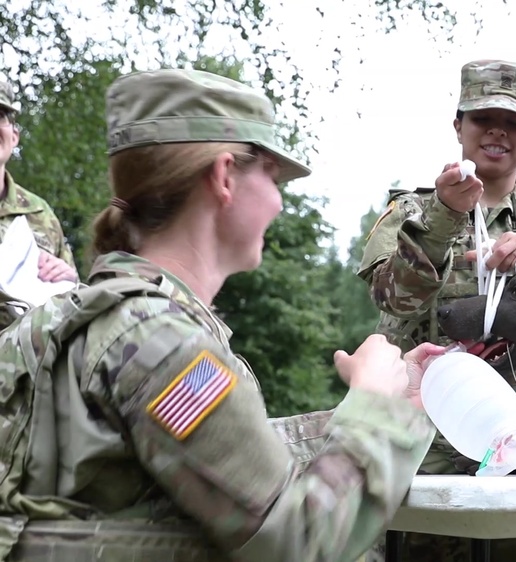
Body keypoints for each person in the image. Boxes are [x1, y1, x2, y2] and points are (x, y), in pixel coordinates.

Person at [0, 68, 443, 562]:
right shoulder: (161, 341)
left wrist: (385, 406)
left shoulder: (81, 318)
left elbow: (209, 463)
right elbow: (298, 540)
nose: (278, 201)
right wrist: (373, 409)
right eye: (272, 177)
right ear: (224, 176)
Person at [358, 59, 516, 562]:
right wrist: (443, 219)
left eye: (513, 122)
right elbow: (390, 299)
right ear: (458, 125)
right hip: (422, 449)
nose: (497, 131)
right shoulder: (410, 214)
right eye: (483, 117)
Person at [0, 76, 78, 328]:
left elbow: (72, 306)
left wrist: (68, 280)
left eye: (0, 116)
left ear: (14, 136)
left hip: (27, 363)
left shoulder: (40, 212)